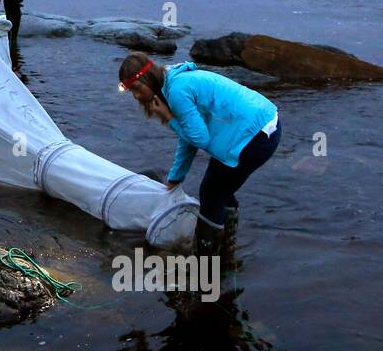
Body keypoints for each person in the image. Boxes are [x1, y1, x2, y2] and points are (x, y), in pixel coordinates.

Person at [118, 52, 280, 255]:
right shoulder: (172, 83)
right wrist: (176, 177)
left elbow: (198, 139)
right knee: (220, 190)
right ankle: (226, 255)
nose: (135, 96)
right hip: (260, 127)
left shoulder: (177, 90)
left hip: (254, 136)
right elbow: (188, 138)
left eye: (136, 88)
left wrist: (169, 119)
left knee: (211, 193)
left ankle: (205, 263)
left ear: (147, 78)